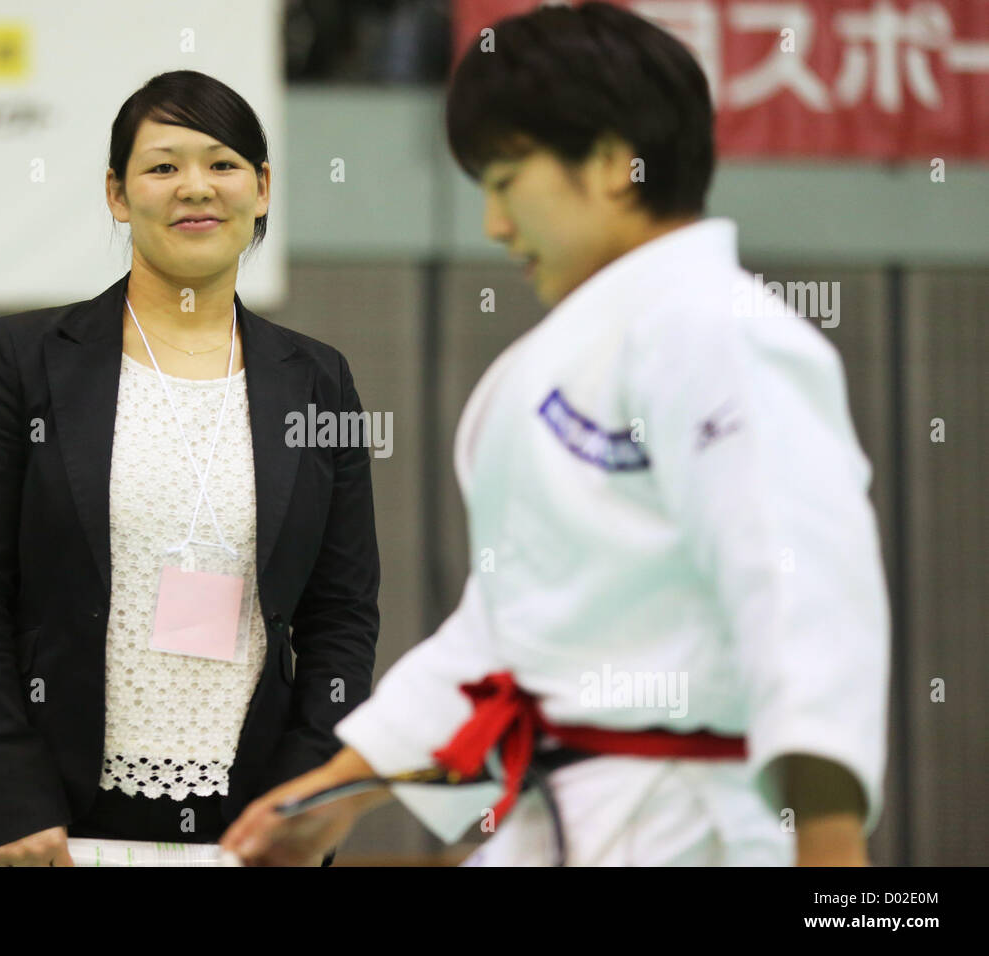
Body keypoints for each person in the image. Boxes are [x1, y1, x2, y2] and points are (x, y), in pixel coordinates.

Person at [220, 3, 889, 866]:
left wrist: (832, 854)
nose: (496, 226)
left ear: (613, 164)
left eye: (505, 183)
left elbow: (801, 595)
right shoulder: (563, 360)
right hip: (566, 808)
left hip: (700, 827)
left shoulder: (723, 333)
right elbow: (509, 628)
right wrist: (345, 786)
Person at [0, 70, 380, 866]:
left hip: (252, 834)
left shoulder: (319, 378)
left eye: (223, 164)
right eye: (163, 166)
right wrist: (12, 803)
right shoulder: (22, 359)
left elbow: (342, 617)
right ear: (117, 193)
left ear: (263, 188)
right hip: (57, 828)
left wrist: (305, 802)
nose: (195, 188)